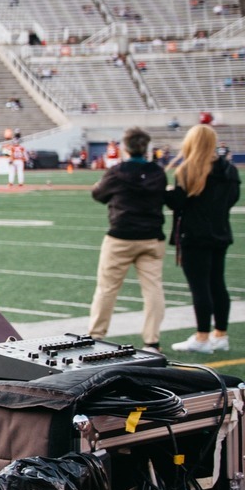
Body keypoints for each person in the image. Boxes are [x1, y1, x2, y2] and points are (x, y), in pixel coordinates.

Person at [87, 127, 168, 350]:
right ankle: (152, 341)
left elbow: (98, 195)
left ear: (125, 147)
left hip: (121, 236)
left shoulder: (117, 171)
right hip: (152, 237)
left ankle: (96, 336)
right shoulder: (157, 172)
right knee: (153, 289)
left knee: (107, 288)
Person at [167, 124, 238, 353]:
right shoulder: (229, 170)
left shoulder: (188, 170)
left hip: (195, 236)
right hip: (220, 233)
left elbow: (177, 203)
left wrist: (168, 192)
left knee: (200, 287)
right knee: (218, 284)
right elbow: (232, 199)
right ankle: (220, 335)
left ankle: (202, 337)